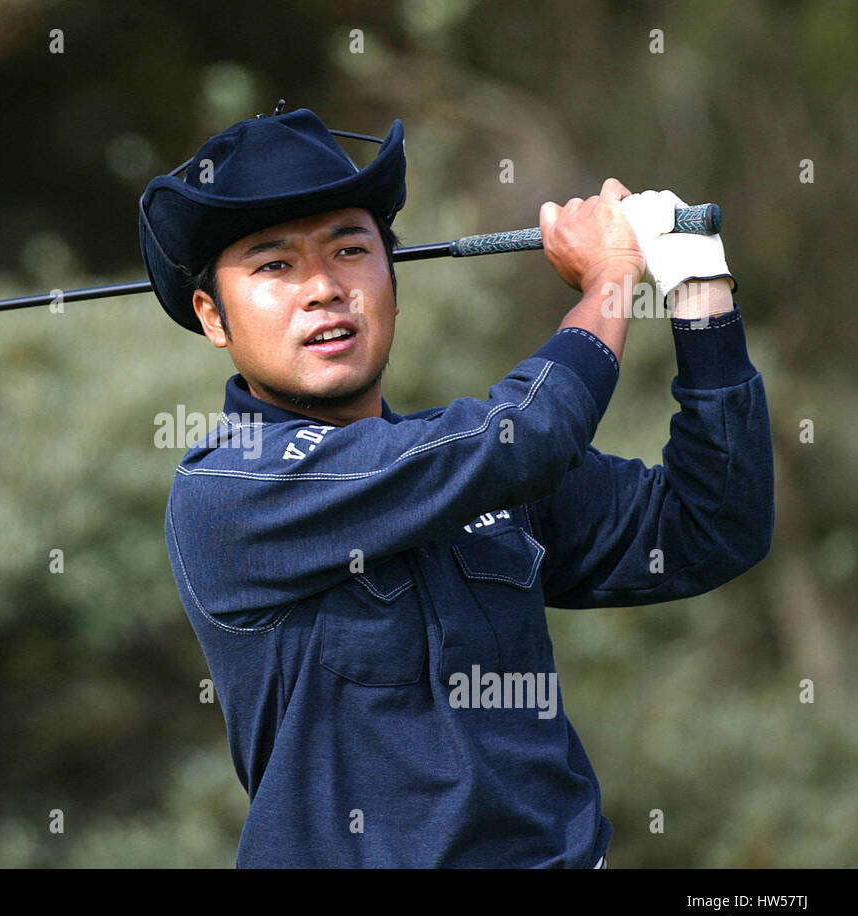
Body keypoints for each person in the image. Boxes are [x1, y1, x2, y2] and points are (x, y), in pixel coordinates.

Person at [138, 105, 773, 867]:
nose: (323, 289)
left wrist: (698, 281)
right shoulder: (230, 486)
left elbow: (714, 524)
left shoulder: (464, 470)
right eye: (274, 265)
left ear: (393, 281)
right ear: (212, 316)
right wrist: (610, 280)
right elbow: (527, 435)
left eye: (348, 249)